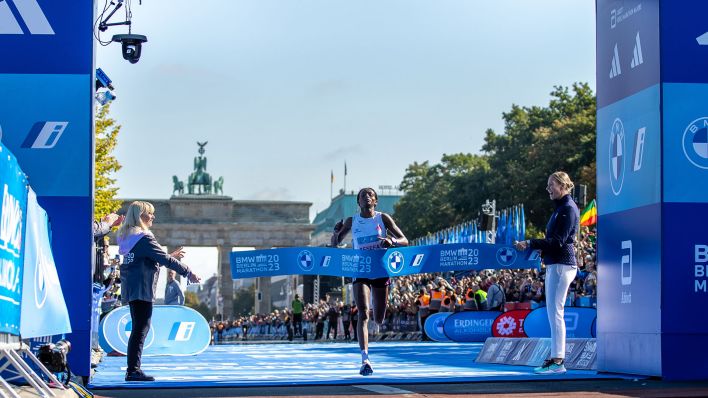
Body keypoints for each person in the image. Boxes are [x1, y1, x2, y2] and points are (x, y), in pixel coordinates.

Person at [117, 201, 201, 382]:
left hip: (132, 287)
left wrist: (168, 257)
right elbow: (162, 260)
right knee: (141, 328)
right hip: (142, 288)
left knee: (139, 327)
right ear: (141, 217)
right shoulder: (144, 238)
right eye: (150, 213)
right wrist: (188, 272)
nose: (153, 216)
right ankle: (133, 370)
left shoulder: (127, 238)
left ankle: (132, 369)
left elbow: (147, 260)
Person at [331, 187, 409, 376]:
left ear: (375, 201)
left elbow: (404, 240)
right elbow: (334, 244)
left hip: (381, 269)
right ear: (358, 202)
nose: (367, 197)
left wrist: (392, 242)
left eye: (370, 195)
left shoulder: (383, 218)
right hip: (361, 270)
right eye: (363, 195)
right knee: (363, 314)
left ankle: (376, 320)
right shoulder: (352, 221)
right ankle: (365, 359)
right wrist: (336, 232)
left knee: (379, 317)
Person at [514, 171, 579, 375]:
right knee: (553, 313)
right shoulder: (560, 209)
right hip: (555, 264)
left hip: (563, 264)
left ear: (562, 185)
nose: (548, 188)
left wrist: (531, 243)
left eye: (551, 184)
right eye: (548, 184)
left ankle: (558, 360)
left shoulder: (568, 209)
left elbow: (558, 242)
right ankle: (555, 358)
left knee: (556, 313)